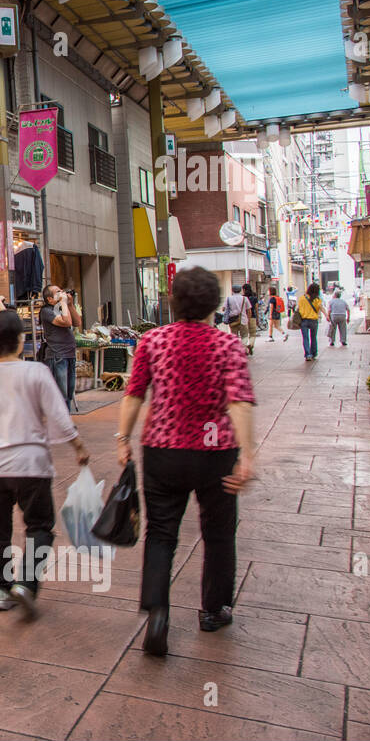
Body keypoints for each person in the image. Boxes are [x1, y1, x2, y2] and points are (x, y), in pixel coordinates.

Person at [114, 266, 255, 657]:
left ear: (174, 302)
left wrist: (124, 438)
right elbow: (239, 402)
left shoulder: (153, 341)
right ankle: (213, 609)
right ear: (214, 304)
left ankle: (158, 613)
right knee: (219, 532)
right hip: (217, 454)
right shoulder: (228, 346)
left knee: (161, 534)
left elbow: (134, 394)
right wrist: (248, 456)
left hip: (164, 451)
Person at [0, 309, 89, 617]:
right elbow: (58, 415)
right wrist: (78, 445)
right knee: (40, 526)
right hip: (31, 464)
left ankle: (2, 589)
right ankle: (26, 584)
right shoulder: (36, 373)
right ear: (20, 340)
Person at [39, 284, 81, 408]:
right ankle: (62, 424)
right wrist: (63, 302)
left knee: (69, 392)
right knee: (61, 395)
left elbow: (77, 322)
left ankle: (66, 422)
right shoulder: (46, 311)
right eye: (58, 292)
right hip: (58, 355)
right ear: (49, 299)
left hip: (69, 353)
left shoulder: (60, 307)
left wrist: (70, 305)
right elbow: (66, 322)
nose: (61, 293)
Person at [222, 284, 253, 354]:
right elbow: (249, 310)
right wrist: (249, 319)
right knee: (244, 335)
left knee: (234, 335)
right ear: (240, 290)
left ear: (232, 290)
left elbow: (223, 309)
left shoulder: (229, 298)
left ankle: (236, 350)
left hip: (232, 320)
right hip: (243, 320)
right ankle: (244, 348)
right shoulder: (245, 298)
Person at [297, 283, 324, 361]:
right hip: (313, 321)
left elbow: (299, 308)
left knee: (305, 338)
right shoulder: (317, 299)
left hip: (304, 320)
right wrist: (326, 315)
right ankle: (314, 353)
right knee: (313, 337)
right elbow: (321, 308)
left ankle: (307, 354)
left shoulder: (302, 298)